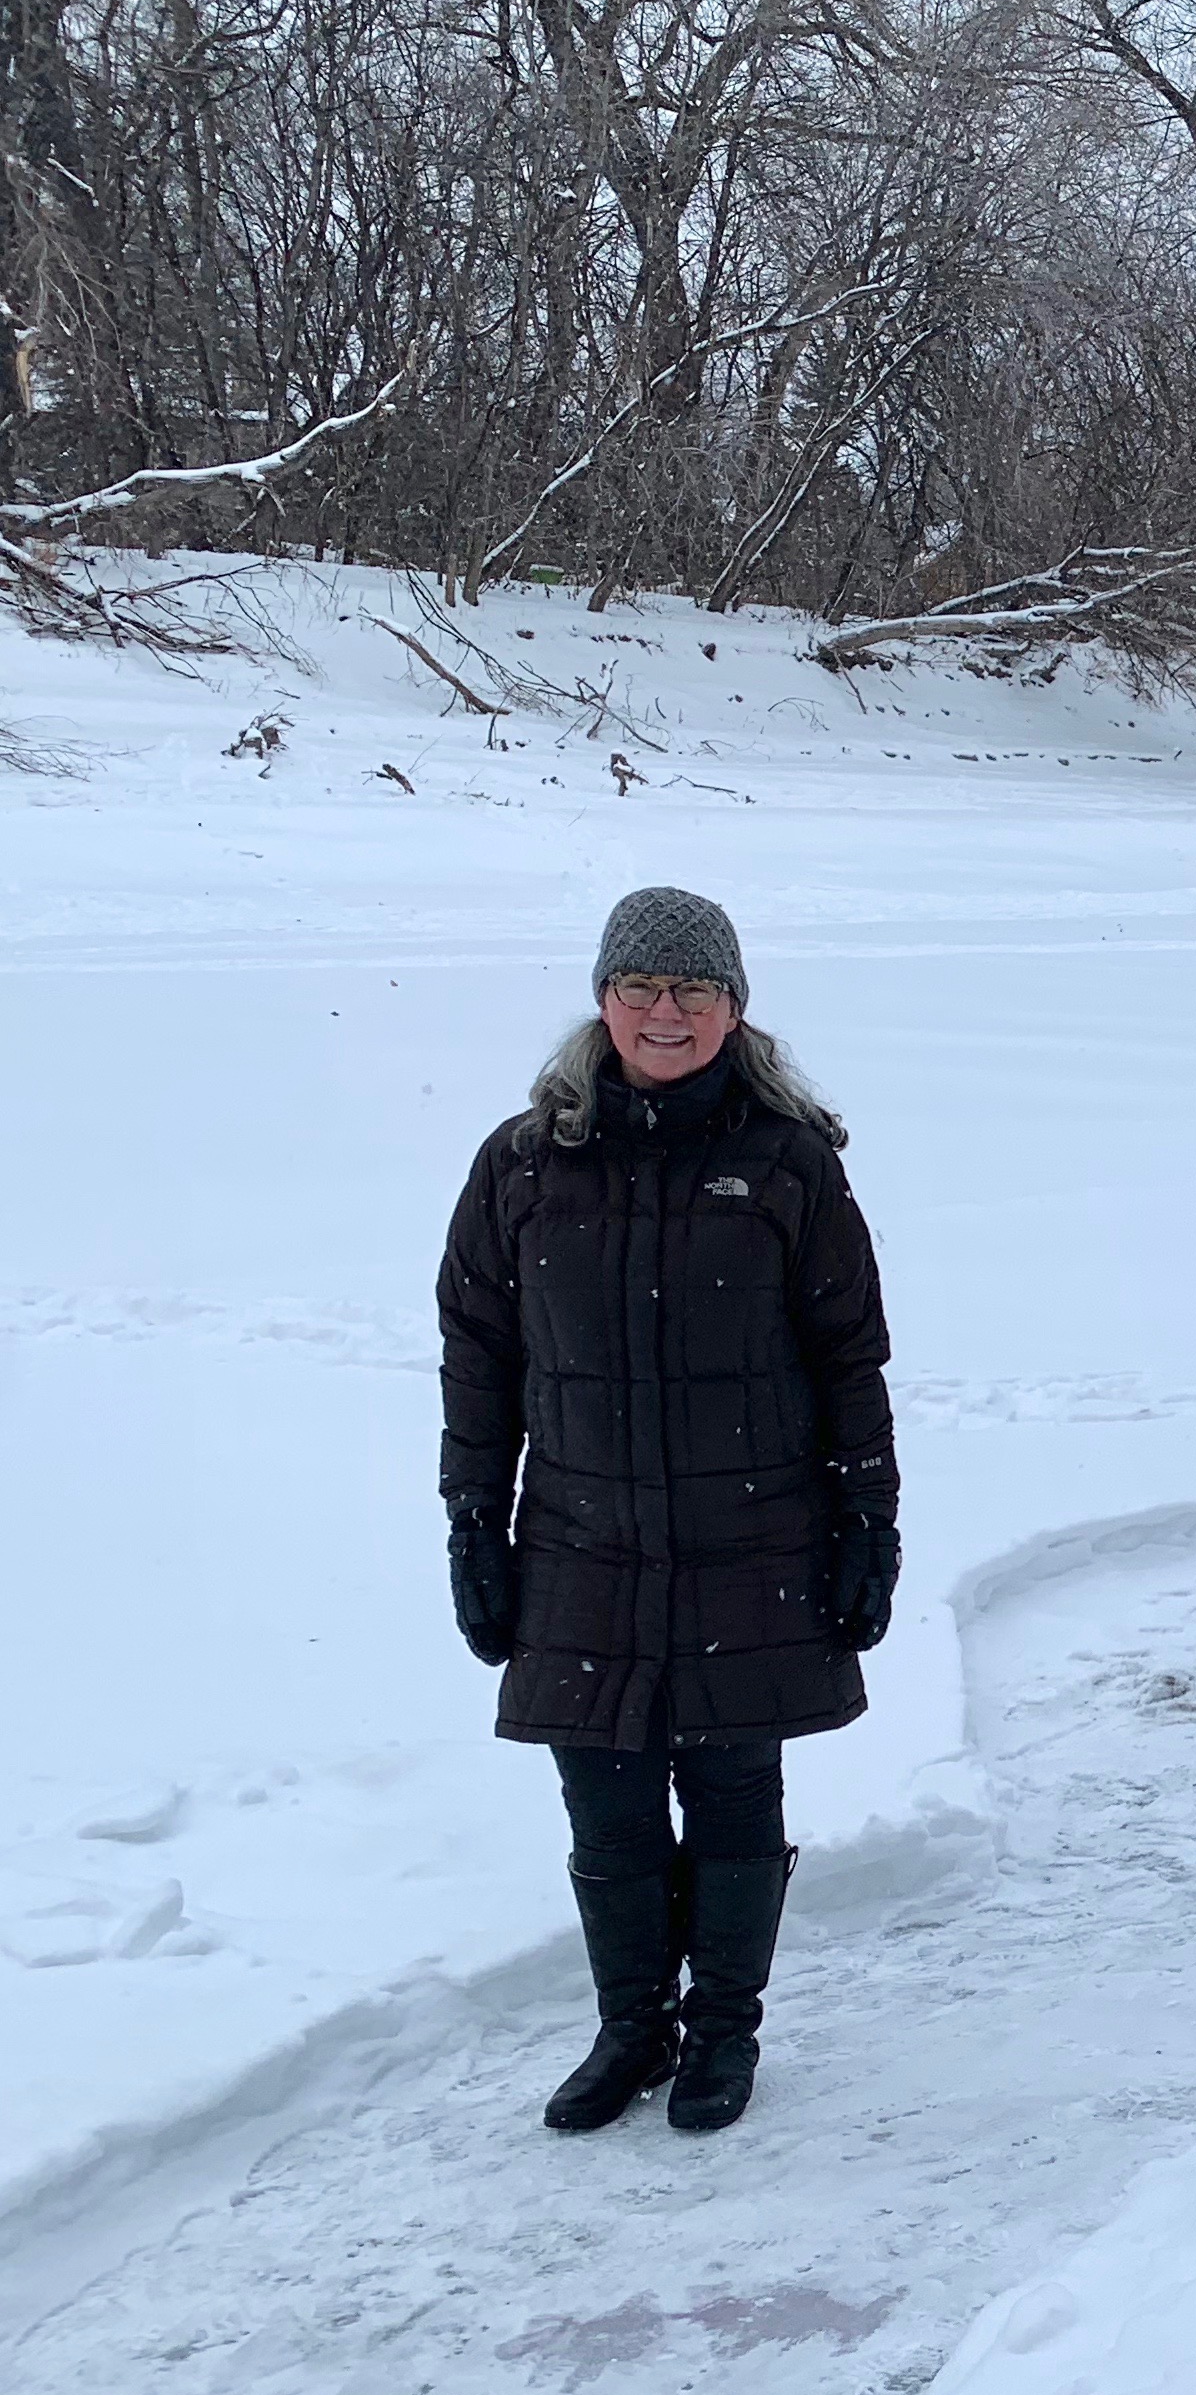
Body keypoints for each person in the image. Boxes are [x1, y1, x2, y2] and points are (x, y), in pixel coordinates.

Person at [437, 888, 898, 2136]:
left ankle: (722, 2033)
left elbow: (849, 1357)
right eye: (640, 987)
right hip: (583, 1540)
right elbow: (479, 1356)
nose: (665, 1012)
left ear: (735, 1011)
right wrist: (472, 1520)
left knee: (736, 1790)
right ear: (602, 1000)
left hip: (754, 1537)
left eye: (694, 991)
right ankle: (630, 2029)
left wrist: (869, 1521)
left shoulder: (787, 1163)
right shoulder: (523, 1163)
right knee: (608, 1799)